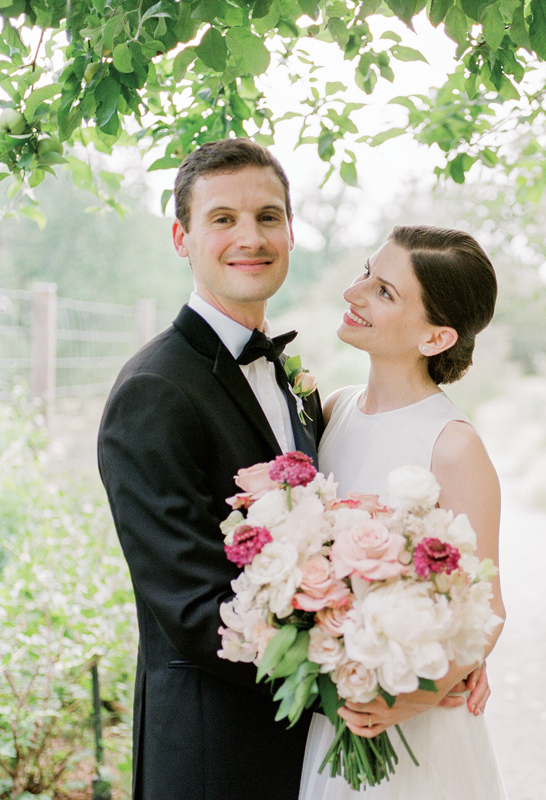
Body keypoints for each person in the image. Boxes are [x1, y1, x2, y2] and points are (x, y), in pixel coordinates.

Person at [97, 138, 325, 800]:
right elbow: (195, 609)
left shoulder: (294, 380)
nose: (249, 237)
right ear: (182, 237)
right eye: (223, 218)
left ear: (289, 230)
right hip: (215, 755)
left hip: (306, 749)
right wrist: (354, 665)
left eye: (269, 217)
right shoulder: (154, 391)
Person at [299, 225, 507, 800]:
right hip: (339, 708)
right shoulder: (335, 409)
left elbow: (486, 609)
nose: (353, 291)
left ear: (437, 338)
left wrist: (410, 695)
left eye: (384, 291)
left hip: (413, 731)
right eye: (366, 272)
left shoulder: (453, 445)